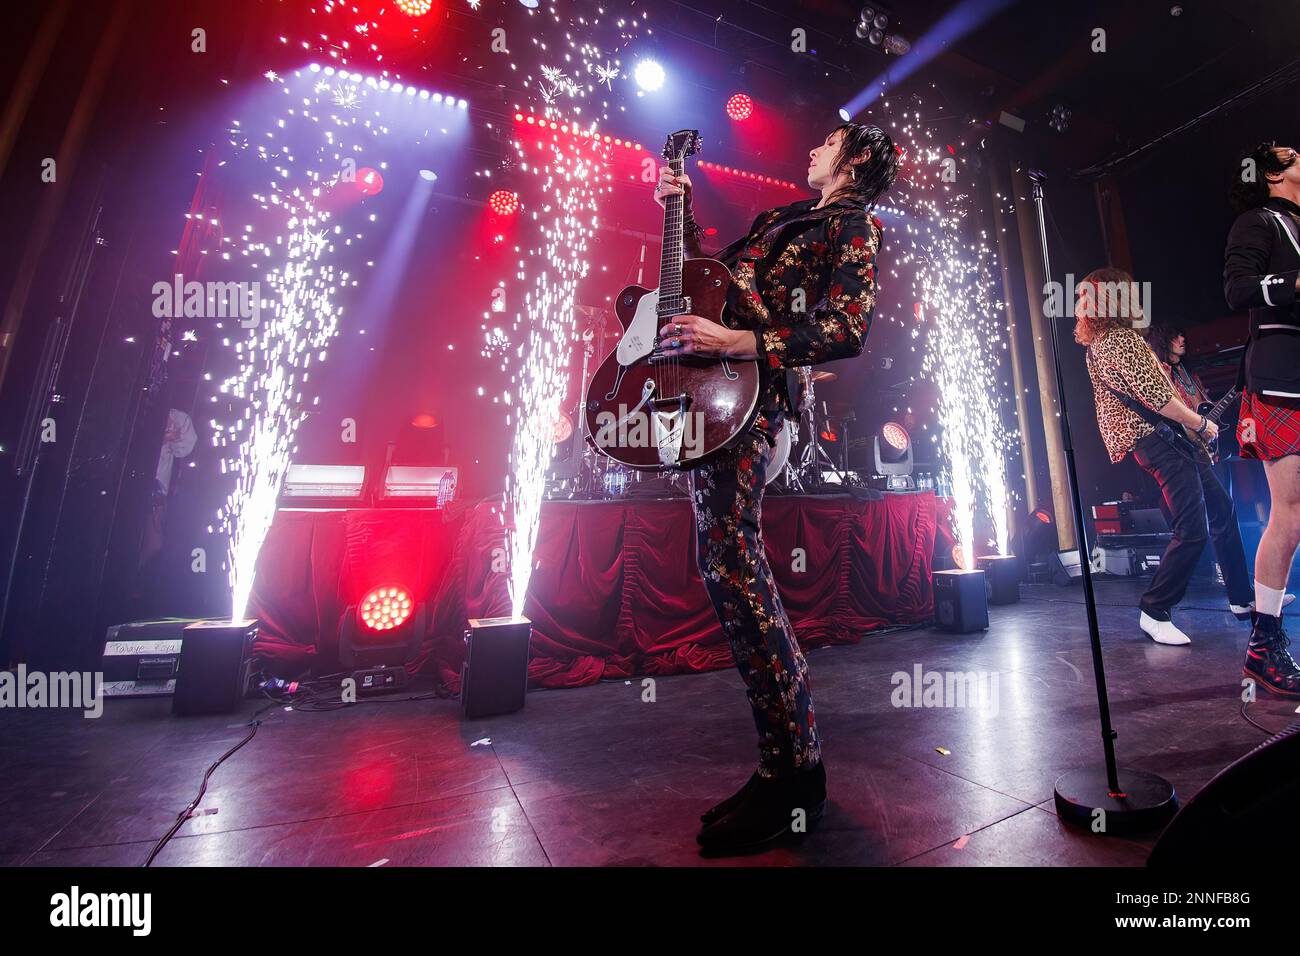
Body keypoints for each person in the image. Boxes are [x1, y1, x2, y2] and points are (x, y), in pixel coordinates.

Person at [652, 122, 897, 850]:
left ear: (855, 160)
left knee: (736, 565)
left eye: (829, 141)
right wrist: (680, 211)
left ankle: (795, 774)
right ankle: (781, 768)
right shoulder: (783, 219)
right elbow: (711, 287)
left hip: (756, 403)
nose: (813, 147)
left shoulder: (854, 226)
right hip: (717, 399)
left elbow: (848, 327)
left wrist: (737, 343)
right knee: (727, 567)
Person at [1077, 268, 1253, 645]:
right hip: (1159, 442)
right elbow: (1159, 399)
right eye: (1130, 292)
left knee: (1222, 508)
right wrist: (1202, 426)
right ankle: (1155, 609)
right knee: (1192, 528)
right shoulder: (1120, 341)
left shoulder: (1104, 342)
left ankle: (1243, 597)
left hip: (1164, 439)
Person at [1224, 141, 1300, 697]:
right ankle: (1263, 644)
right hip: (1281, 378)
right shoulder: (1259, 221)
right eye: (1290, 153)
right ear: (1273, 174)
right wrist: (1294, 284)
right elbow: (1237, 290)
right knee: (1290, 514)